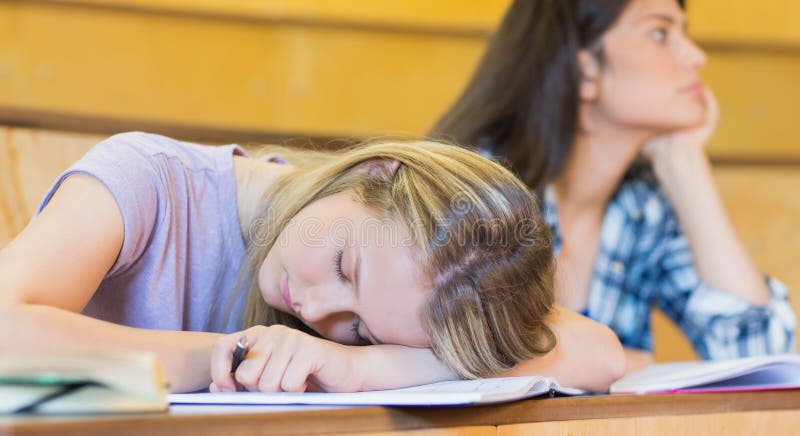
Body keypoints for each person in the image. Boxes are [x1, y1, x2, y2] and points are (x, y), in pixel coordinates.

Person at [0, 131, 624, 393]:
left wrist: (356, 367)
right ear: (373, 173)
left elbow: (599, 352)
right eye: (345, 266)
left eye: (358, 327)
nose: (316, 309)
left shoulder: (346, 330)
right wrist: (238, 356)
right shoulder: (149, 180)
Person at [431, 0, 796, 372]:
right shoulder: (476, 192)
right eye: (660, 33)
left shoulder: (644, 205)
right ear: (585, 68)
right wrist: (615, 361)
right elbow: (467, 360)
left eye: (684, 33)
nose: (696, 56)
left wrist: (684, 161)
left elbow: (762, 356)